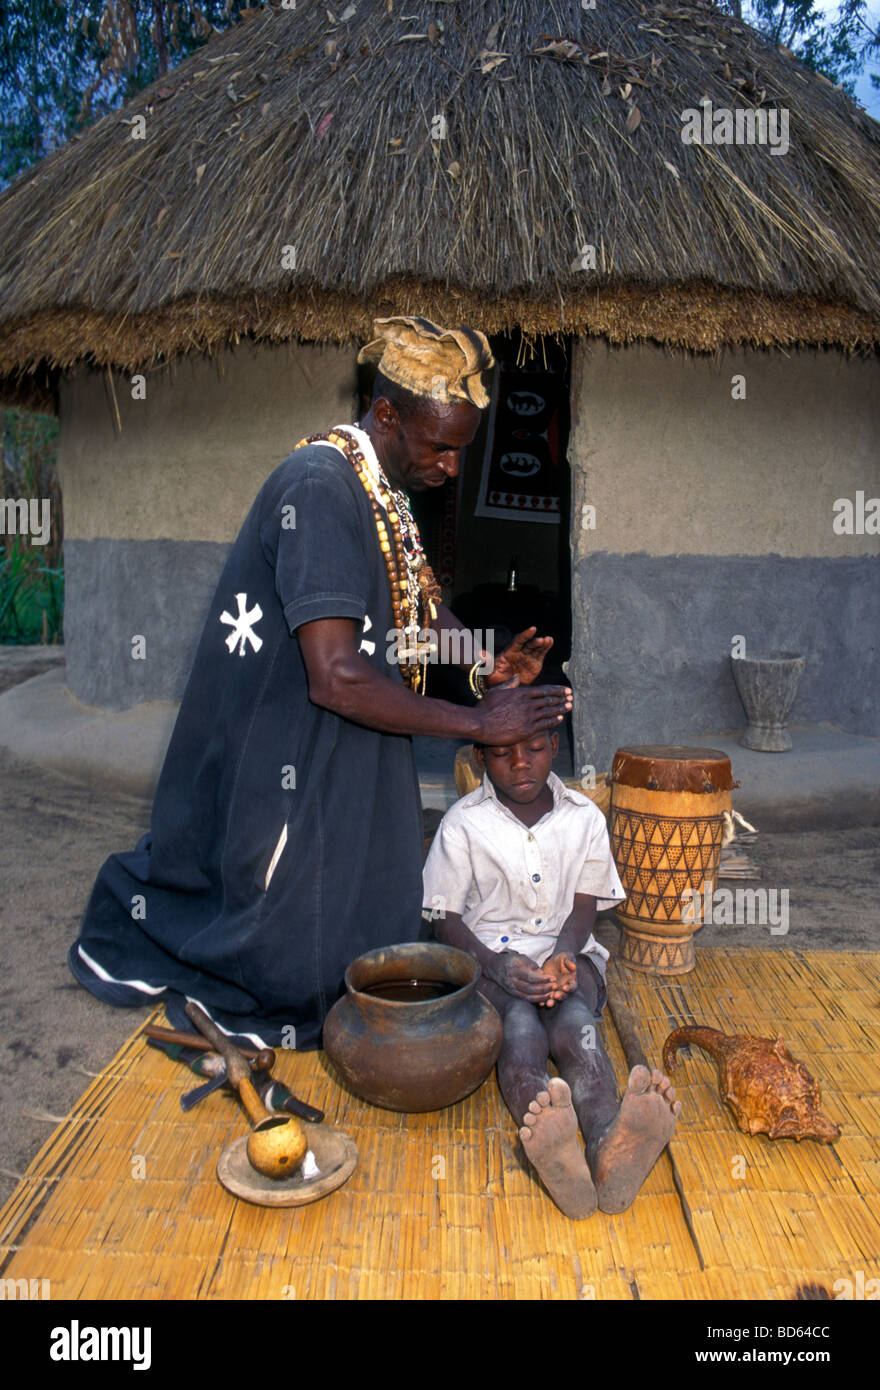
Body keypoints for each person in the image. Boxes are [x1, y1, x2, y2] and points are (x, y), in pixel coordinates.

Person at [69, 316, 572, 1048]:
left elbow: (416, 605)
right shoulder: (322, 488)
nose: (453, 468)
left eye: (463, 449)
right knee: (296, 969)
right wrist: (478, 724)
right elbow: (337, 677)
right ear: (389, 415)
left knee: (374, 910)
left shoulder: (383, 487)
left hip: (350, 732)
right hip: (290, 740)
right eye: (440, 446)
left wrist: (482, 665)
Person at [423, 729, 682, 1218]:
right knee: (519, 1028)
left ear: (554, 749)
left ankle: (607, 1140)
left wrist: (563, 955)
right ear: (480, 756)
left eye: (534, 749)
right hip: (488, 960)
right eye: (501, 752)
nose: (520, 763)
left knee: (577, 1023)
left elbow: (584, 907)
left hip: (569, 957)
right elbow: (444, 919)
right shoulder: (462, 823)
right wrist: (498, 966)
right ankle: (550, 1131)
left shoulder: (584, 817)